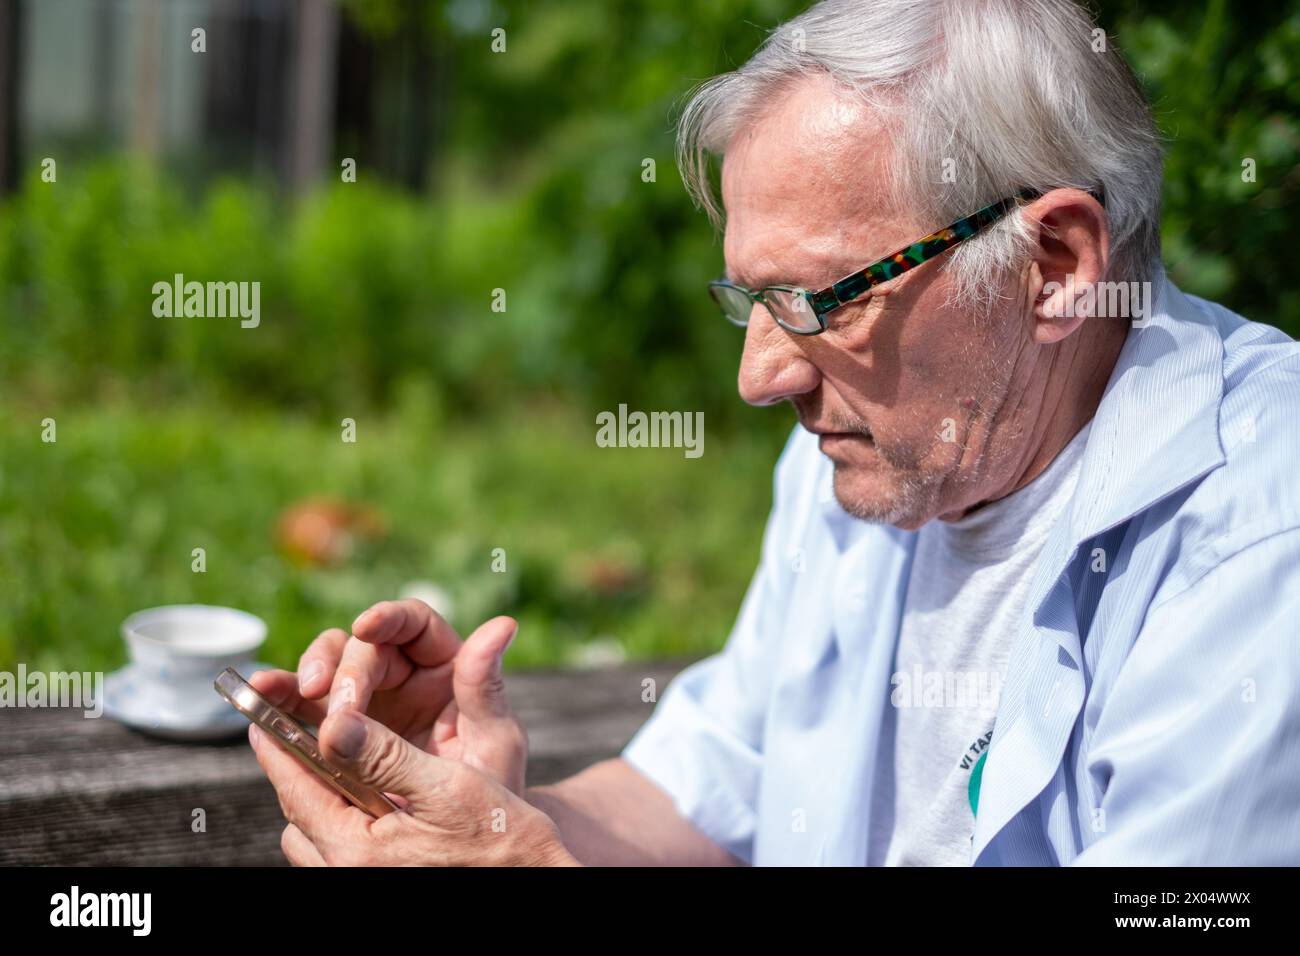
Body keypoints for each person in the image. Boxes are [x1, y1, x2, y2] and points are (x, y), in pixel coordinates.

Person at [250, 0, 1300, 865]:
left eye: (821, 298)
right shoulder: (874, 454)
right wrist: (473, 812)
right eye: (749, 297)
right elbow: (714, 786)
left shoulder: (1258, 540)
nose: (760, 375)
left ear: (1056, 266)